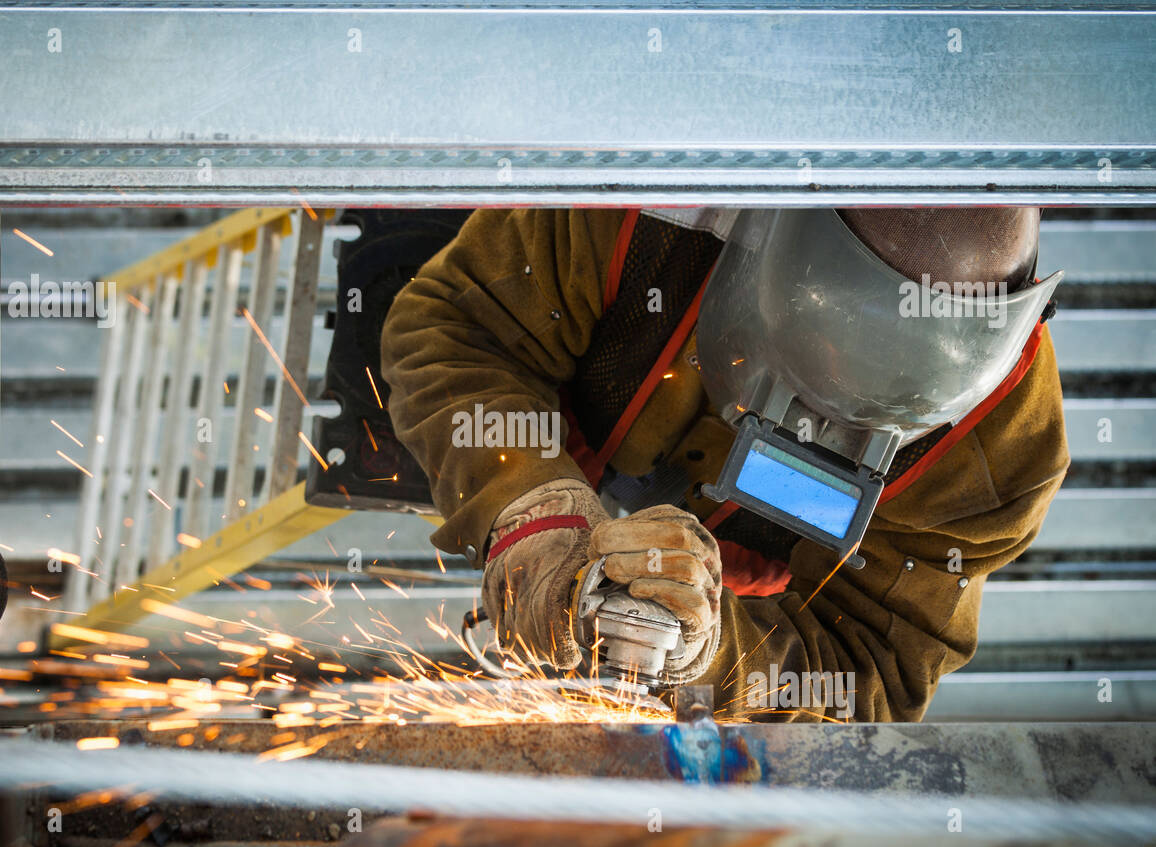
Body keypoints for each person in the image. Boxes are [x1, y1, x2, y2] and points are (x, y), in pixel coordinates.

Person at [380, 207, 1067, 721]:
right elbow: (453, 330)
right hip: (566, 411)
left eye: (859, 417)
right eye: (807, 377)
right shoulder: (643, 202)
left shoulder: (1002, 443)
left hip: (744, 583)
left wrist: (712, 658)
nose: (818, 425)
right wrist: (535, 520)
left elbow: (871, 670)